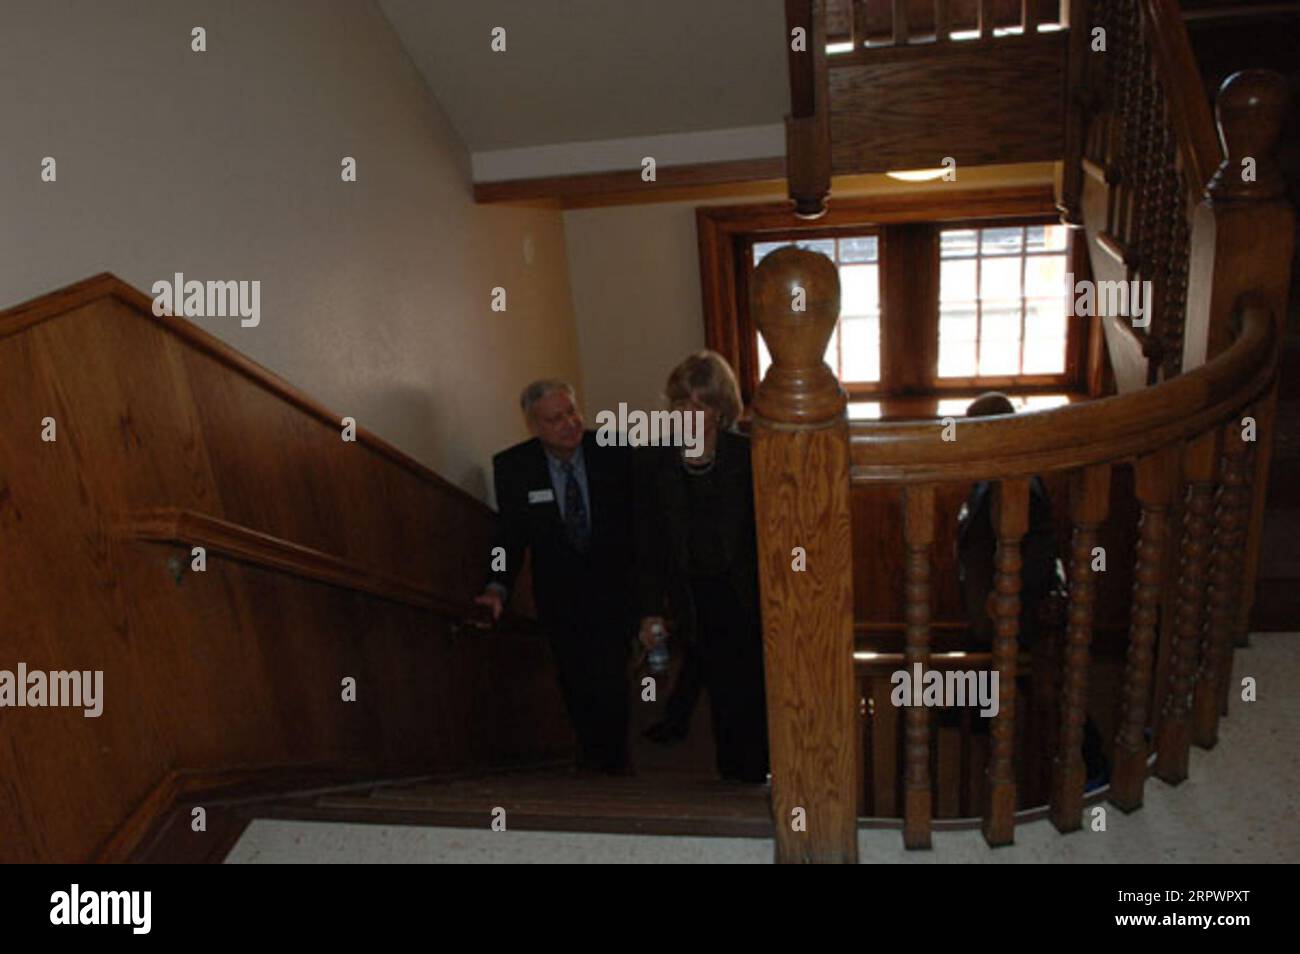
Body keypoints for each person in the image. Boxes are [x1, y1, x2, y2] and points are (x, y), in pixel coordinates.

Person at [475, 380, 635, 775]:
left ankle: (614, 761)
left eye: (572, 412)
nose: (569, 423)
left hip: (615, 588)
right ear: (533, 426)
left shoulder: (614, 451)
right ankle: (591, 752)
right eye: (555, 418)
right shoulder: (514, 467)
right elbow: (507, 538)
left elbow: (641, 523)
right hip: (560, 596)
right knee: (575, 678)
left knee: (613, 676)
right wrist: (496, 587)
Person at [956, 391, 1107, 788]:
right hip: (993, 618)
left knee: (1051, 697)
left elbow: (1038, 554)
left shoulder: (1016, 483)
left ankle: (1094, 768)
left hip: (1018, 618)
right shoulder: (990, 478)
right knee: (1007, 690)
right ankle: (982, 753)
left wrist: (1012, 604)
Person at [635, 351, 769, 783]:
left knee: (748, 689)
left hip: (746, 591)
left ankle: (755, 772)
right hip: (692, 596)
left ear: (720, 408)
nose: (689, 414)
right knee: (720, 690)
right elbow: (651, 546)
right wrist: (651, 609)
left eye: (701, 404)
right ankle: (739, 776)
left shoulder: (748, 456)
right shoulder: (655, 464)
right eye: (681, 403)